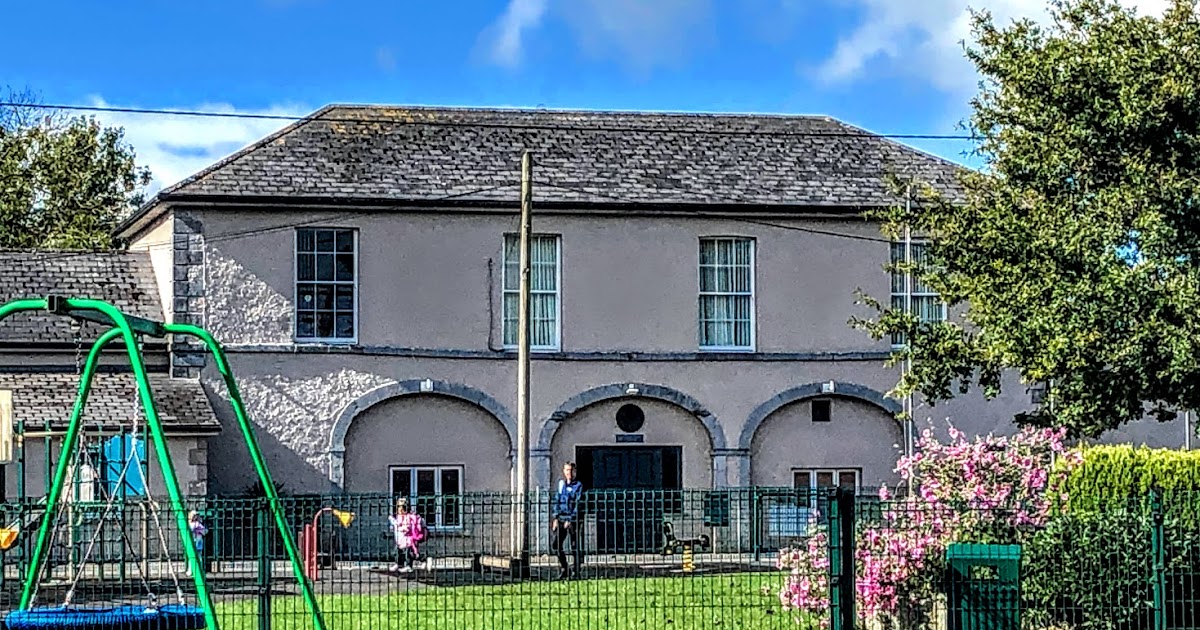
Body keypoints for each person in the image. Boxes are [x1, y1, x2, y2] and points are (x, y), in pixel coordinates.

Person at [551, 462, 584, 579]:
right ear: (564, 471)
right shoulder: (561, 484)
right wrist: (555, 517)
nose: (569, 473)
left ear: (574, 472)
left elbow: (577, 504)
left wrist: (571, 519)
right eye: (567, 470)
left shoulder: (578, 486)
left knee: (574, 545)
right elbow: (557, 501)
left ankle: (576, 570)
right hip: (561, 518)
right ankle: (565, 568)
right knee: (555, 544)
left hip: (573, 520)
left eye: (571, 470)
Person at [389, 497, 427, 574]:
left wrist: (402, 528)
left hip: (408, 539)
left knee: (409, 553)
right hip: (400, 539)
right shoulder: (398, 516)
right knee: (397, 552)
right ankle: (399, 564)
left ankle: (410, 565)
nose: (399, 509)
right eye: (398, 507)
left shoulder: (409, 516)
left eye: (401, 507)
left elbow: (409, 527)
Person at [187, 510, 208, 577]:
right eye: (194, 515)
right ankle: (191, 571)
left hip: (198, 541)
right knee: (192, 557)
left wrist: (200, 530)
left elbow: (205, 531)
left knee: (198, 557)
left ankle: (198, 570)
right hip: (193, 541)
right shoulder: (193, 524)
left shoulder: (198, 524)